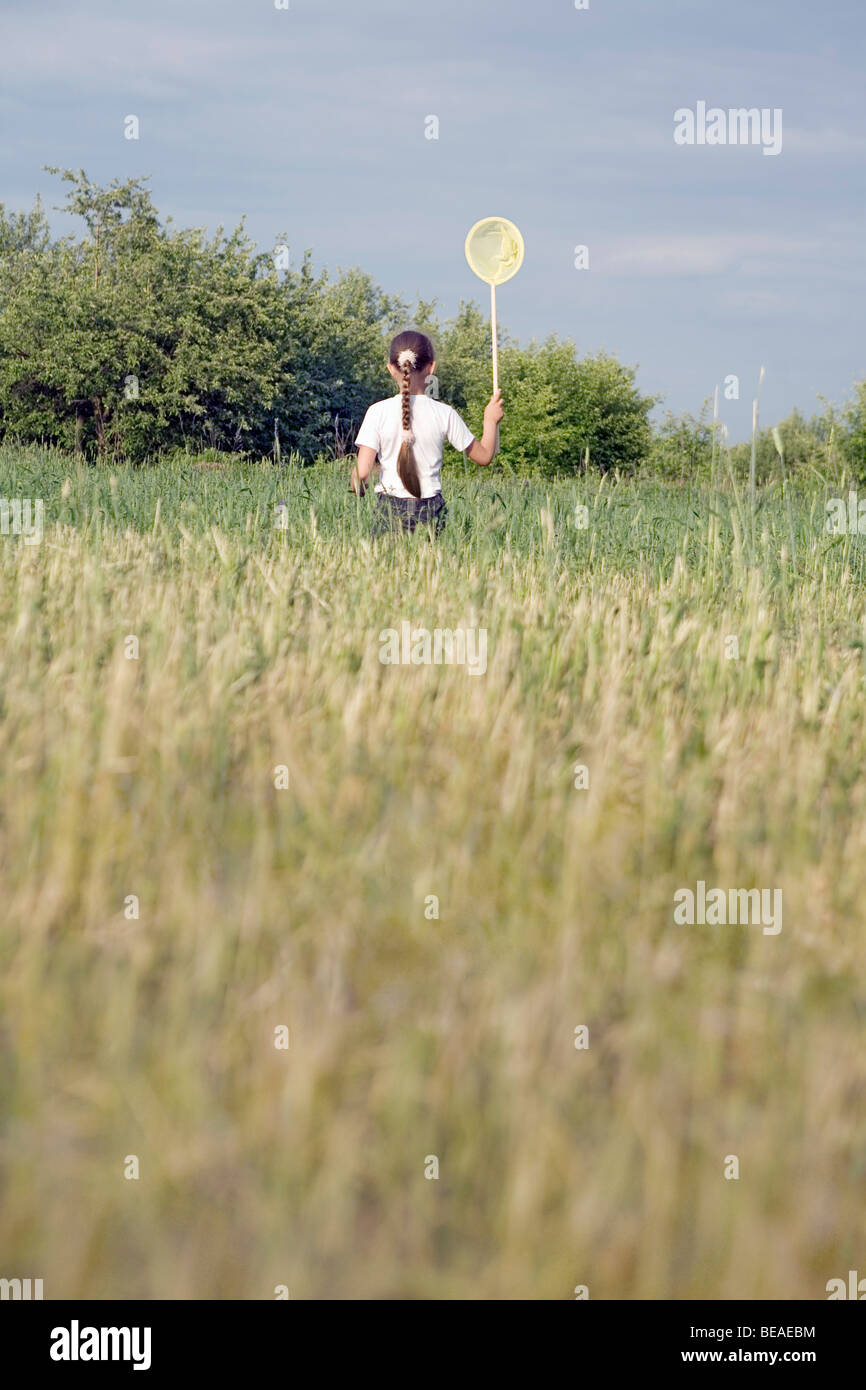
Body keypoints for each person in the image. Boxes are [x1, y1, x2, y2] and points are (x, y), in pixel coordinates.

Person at [350, 330, 504, 534]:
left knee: (386, 564)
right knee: (429, 565)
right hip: (430, 509)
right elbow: (484, 456)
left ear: (390, 369)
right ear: (431, 367)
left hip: (389, 508)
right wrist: (490, 420)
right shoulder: (444, 413)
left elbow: (362, 472)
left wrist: (357, 485)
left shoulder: (377, 411)